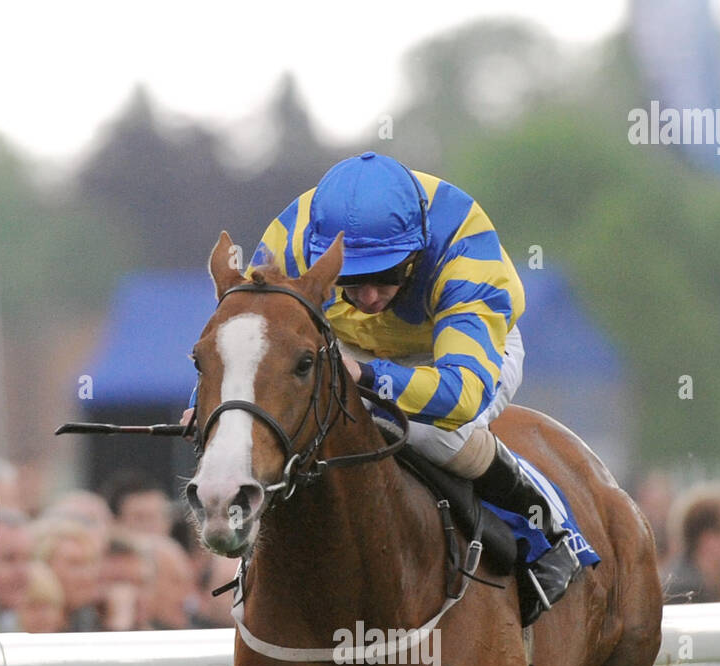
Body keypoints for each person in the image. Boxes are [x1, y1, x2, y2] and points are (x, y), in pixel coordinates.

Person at [187, 152, 585, 617]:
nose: (371, 296)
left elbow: (460, 394)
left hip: (454, 352)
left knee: (433, 431)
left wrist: (372, 376)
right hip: (346, 346)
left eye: (388, 275)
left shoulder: (464, 246)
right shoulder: (291, 241)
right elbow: (257, 342)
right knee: (298, 425)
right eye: (352, 281)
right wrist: (207, 405)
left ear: (418, 249)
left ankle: (545, 526)